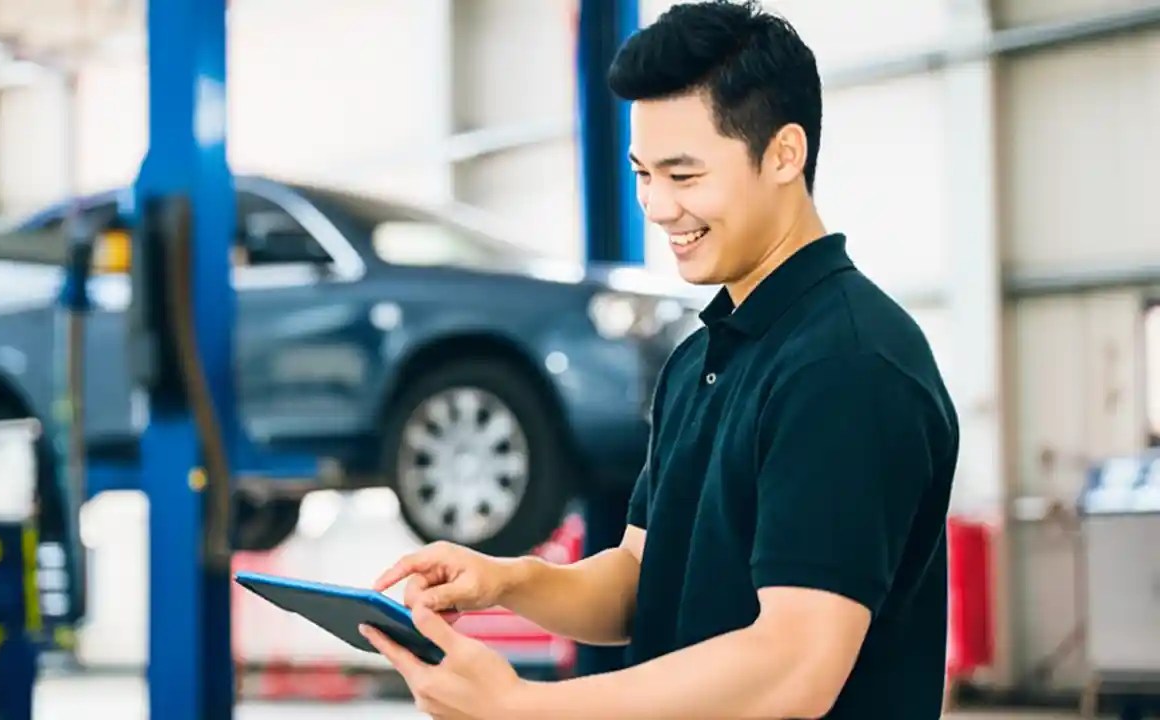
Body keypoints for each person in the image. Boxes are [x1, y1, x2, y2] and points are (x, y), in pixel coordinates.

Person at [358, 2, 960, 718]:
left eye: (683, 174)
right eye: (643, 173)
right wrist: (506, 580)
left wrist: (529, 709)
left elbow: (796, 665)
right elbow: (639, 581)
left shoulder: (846, 366)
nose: (657, 206)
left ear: (784, 155)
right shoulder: (701, 358)